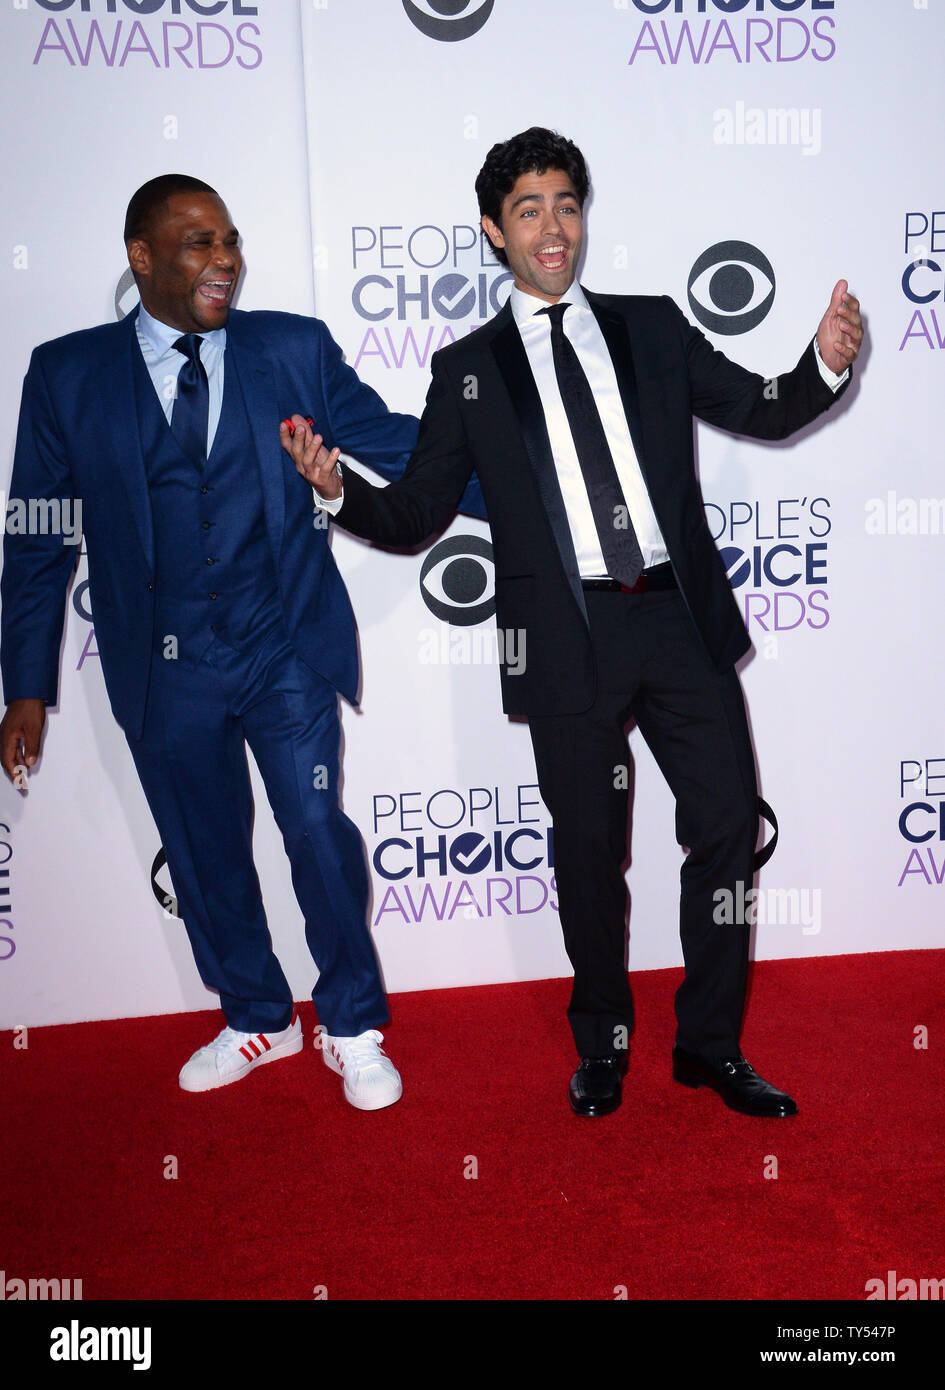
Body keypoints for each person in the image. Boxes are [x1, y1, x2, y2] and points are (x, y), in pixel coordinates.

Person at [283, 128, 863, 1119]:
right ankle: (602, 1044)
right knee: (589, 853)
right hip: (567, 645)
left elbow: (765, 408)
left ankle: (710, 1046)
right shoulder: (466, 369)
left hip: (676, 621)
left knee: (724, 827)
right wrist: (340, 495)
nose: (553, 228)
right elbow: (420, 511)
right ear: (493, 232)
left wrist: (821, 363)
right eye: (528, 210)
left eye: (566, 204)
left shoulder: (652, 326)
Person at [0, 174, 483, 1106]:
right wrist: (25, 683)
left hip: (282, 646)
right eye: (197, 245)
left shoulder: (291, 349)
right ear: (140, 257)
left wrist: (531, 490)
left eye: (229, 241)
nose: (225, 261)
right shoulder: (65, 375)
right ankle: (257, 1015)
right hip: (161, 663)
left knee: (314, 829)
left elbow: (394, 441)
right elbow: (37, 535)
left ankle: (350, 1022)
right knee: (204, 849)